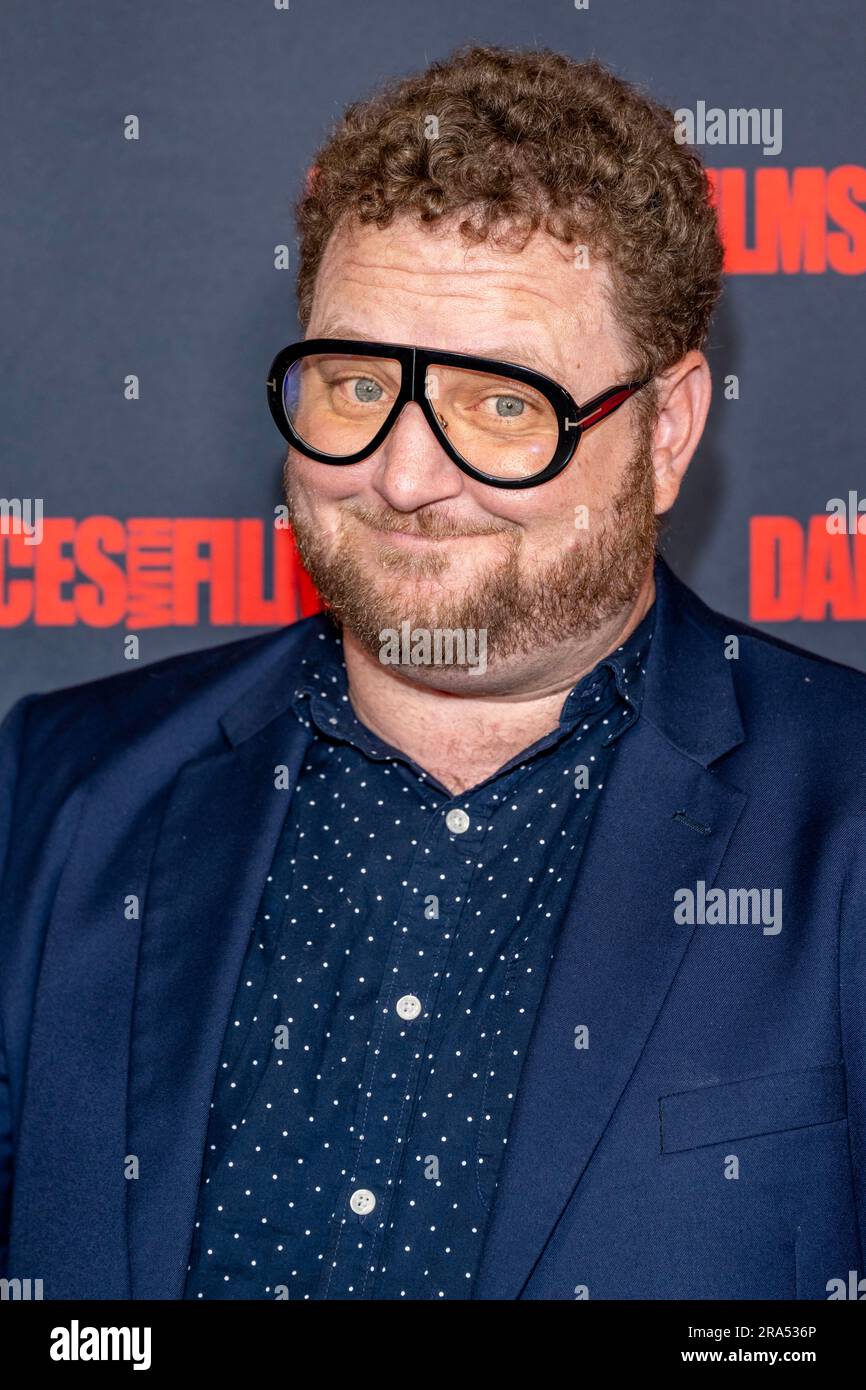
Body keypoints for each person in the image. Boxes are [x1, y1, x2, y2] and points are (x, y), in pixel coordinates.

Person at [1, 44, 864, 1302]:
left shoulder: (840, 820)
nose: (403, 478)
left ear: (664, 432)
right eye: (355, 385)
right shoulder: (56, 791)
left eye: (502, 406)